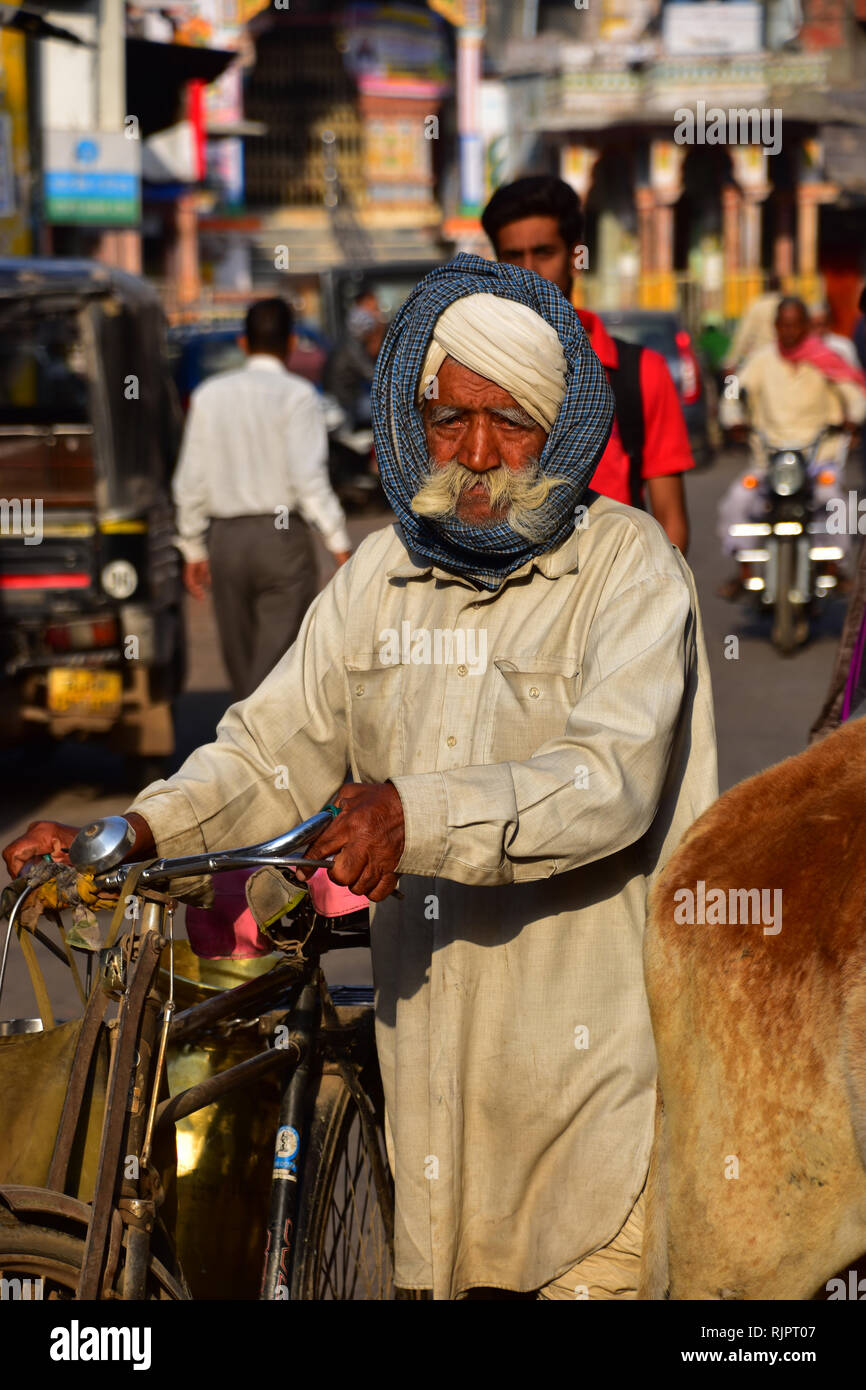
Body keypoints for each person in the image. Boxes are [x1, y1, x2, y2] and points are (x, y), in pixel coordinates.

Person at [4, 255, 718, 1300]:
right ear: (412, 417)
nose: (476, 456)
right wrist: (134, 832)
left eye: (510, 422)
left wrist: (412, 813)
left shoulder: (628, 569)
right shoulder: (377, 580)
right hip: (429, 1084)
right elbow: (266, 744)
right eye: (450, 418)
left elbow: (604, 778)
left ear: (559, 427)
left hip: (590, 1088)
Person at [481, 174, 694, 553]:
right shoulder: (474, 371)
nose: (529, 271)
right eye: (514, 256)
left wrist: (659, 600)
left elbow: (669, 515)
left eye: (544, 252)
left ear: (576, 257)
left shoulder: (640, 373)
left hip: (616, 595)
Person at [173, 297, 352, 700]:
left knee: (241, 665)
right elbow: (308, 477)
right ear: (291, 343)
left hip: (226, 542)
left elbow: (190, 481)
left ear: (242, 343)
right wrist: (338, 542)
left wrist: (193, 547)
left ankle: (244, 748)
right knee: (277, 665)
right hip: (281, 540)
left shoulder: (208, 395)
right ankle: (260, 751)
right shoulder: (299, 394)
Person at [717, 296, 866, 598]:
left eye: (796, 325)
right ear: (775, 327)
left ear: (806, 327)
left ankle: (833, 569)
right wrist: (733, 419)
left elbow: (855, 396)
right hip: (769, 461)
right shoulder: (761, 360)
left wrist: (853, 418)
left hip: (817, 458)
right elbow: (734, 392)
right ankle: (744, 571)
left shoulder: (825, 359)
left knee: (835, 502)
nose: (789, 332)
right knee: (737, 501)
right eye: (783, 325)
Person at [721, 273, 782, 373]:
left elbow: (744, 334)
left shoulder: (757, 305)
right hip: (781, 359)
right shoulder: (785, 306)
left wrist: (731, 361)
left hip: (760, 358)